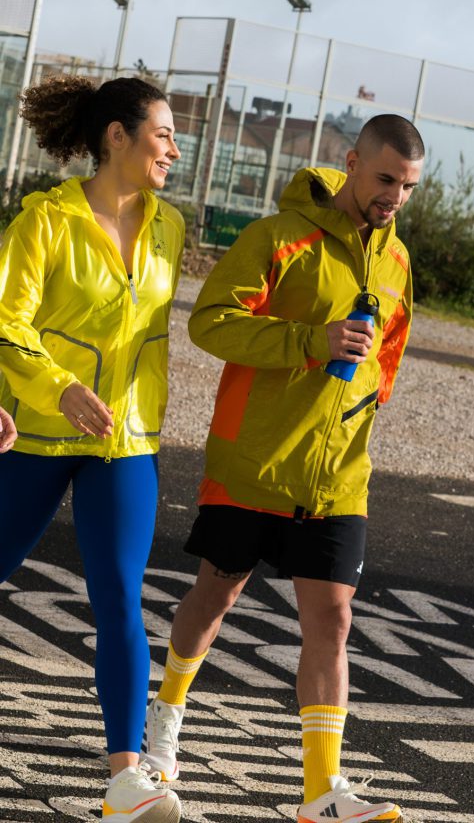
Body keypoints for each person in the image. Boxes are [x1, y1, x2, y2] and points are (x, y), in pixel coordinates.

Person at [142, 113, 425, 823]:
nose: (394, 196)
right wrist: (311, 340)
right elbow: (210, 321)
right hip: (253, 463)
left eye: (409, 186)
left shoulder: (397, 261)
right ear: (352, 162)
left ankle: (321, 792)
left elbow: (389, 350)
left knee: (332, 621)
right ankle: (162, 737)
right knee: (214, 596)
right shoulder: (277, 237)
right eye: (386, 178)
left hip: (337, 477)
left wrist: (364, 405)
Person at [0, 75, 184, 823]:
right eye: (163, 132)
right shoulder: (43, 220)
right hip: (39, 431)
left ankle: (126, 779)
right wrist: (59, 389)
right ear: (118, 135)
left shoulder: (170, 226)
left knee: (119, 594)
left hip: (125, 442)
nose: (174, 147)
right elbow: (6, 325)